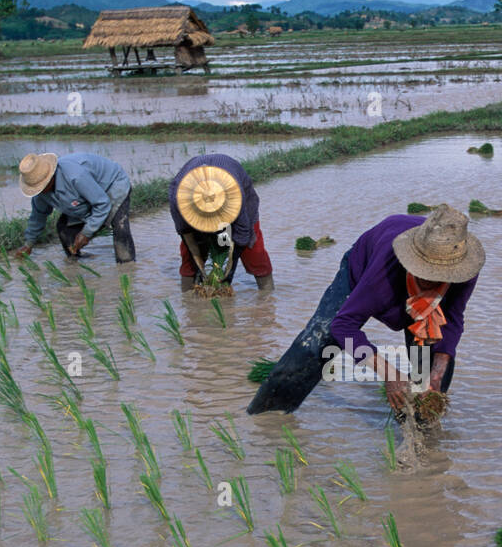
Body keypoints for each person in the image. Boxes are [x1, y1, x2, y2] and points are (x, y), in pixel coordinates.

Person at [248, 205, 483, 415]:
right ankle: (270, 414)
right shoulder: (385, 271)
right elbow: (343, 325)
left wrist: (436, 375)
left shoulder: (462, 268)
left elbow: (452, 319)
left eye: (440, 277)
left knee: (431, 361)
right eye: (428, 274)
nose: (433, 280)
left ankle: (420, 434)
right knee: (319, 341)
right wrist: (389, 373)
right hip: (365, 266)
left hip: (426, 309)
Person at [169, 154, 273, 291]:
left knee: (254, 253)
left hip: (238, 203)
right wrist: (198, 260)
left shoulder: (236, 194)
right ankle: (187, 297)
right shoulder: (178, 198)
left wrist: (228, 266)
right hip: (193, 203)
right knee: (189, 261)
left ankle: (267, 295)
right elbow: (186, 233)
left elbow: (242, 235)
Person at [12, 152, 135, 263]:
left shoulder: (76, 176)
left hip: (111, 185)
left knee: (120, 226)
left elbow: (102, 203)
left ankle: (127, 266)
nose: (40, 190)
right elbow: (38, 216)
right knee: (64, 229)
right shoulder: (41, 194)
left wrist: (86, 233)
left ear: (50, 178)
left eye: (41, 186)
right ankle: (77, 265)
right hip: (86, 198)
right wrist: (29, 244)